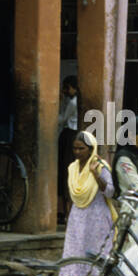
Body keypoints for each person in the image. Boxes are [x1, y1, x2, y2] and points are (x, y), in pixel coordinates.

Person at [57, 130, 116, 276]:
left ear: (91, 149)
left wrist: (95, 175)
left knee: (95, 261)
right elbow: (73, 195)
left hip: (97, 219)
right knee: (72, 258)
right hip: (77, 219)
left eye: (81, 148)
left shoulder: (101, 166)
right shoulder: (73, 168)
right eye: (75, 148)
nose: (77, 152)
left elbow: (110, 191)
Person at [57, 76, 79, 222]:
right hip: (73, 135)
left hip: (69, 135)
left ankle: (65, 211)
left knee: (65, 170)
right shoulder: (75, 101)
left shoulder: (72, 103)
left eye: (67, 88)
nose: (65, 91)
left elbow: (62, 119)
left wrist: (57, 104)